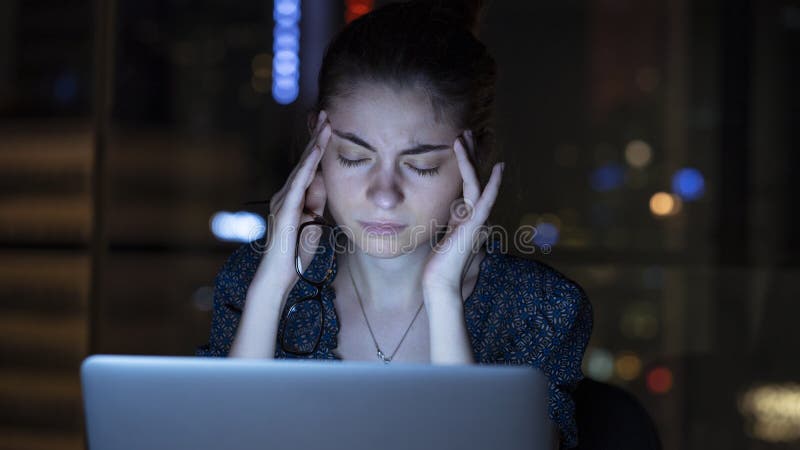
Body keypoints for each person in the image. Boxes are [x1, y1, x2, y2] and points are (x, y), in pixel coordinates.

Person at [197, 1, 593, 448]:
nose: (384, 195)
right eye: (354, 157)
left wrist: (442, 295)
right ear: (317, 148)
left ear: (475, 158)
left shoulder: (538, 308)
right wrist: (271, 289)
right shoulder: (252, 282)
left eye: (421, 165)